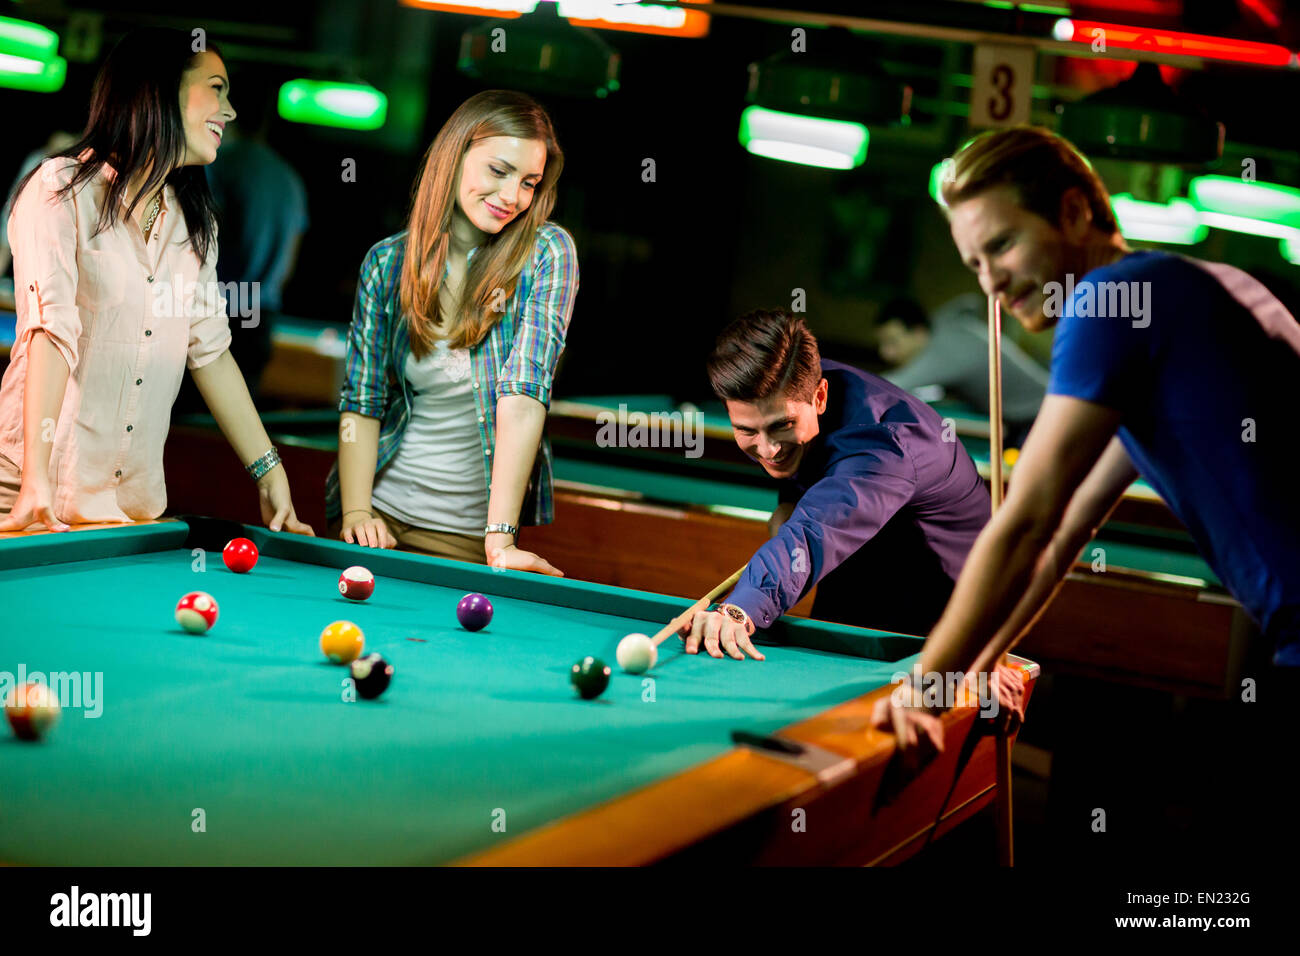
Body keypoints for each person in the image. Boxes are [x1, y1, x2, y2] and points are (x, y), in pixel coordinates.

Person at [872, 126, 1300, 754]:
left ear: (1073, 212)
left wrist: (925, 688)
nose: (989, 280)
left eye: (1003, 244)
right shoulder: (1180, 291)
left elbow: (1026, 525)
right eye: (974, 263)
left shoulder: (1109, 303)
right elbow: (1063, 534)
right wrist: (982, 663)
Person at [0, 28, 313, 534]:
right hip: (33, 501)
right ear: (160, 91)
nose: (229, 111)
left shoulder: (193, 224)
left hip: (129, 509)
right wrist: (36, 480)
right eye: (217, 88)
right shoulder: (60, 190)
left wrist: (268, 471)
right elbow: (50, 334)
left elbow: (210, 351)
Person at [328, 90, 578, 574]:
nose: (512, 197)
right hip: (377, 520)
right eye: (498, 171)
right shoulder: (387, 262)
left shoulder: (547, 254)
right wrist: (357, 512)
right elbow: (362, 400)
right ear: (454, 155)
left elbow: (524, 395)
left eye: (529, 182)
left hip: (471, 538)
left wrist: (501, 540)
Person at [676, 309, 991, 660]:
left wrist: (739, 610)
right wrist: (792, 500)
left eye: (782, 425)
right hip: (858, 570)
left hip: (950, 610)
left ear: (820, 398)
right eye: (747, 430)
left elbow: (811, 536)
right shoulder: (791, 378)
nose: (768, 449)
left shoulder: (884, 443)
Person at [877, 293, 1048, 445]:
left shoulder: (945, 349)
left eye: (892, 342)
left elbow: (887, 386)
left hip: (1042, 417)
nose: (886, 353)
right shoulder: (947, 328)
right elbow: (970, 301)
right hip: (1026, 418)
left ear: (918, 333)